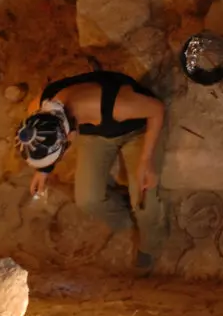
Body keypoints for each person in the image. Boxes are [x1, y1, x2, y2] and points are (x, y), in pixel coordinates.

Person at [15, 70, 168, 271]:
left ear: (69, 137)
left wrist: (146, 161)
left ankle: (151, 244)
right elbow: (41, 137)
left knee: (144, 200)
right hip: (96, 132)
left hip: (135, 129)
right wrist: (44, 170)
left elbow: (156, 110)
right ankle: (128, 222)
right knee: (88, 200)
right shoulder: (39, 108)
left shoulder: (115, 106)